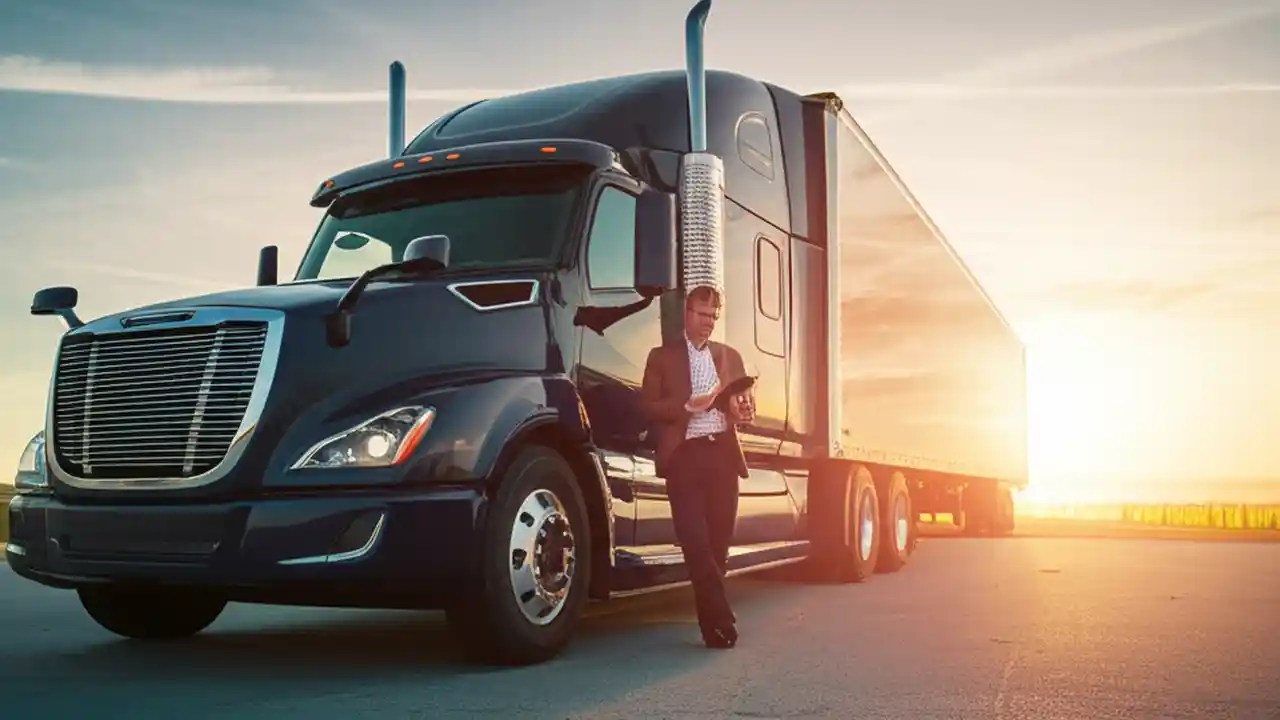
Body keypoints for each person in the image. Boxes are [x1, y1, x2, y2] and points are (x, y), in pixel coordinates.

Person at [640, 285, 755, 649]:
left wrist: (742, 412)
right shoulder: (661, 357)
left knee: (719, 544)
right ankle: (722, 617)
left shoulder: (730, 356)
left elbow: (741, 405)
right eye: (703, 315)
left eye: (714, 317)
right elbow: (647, 407)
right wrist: (688, 406)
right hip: (684, 457)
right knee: (695, 541)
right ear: (687, 314)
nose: (709, 323)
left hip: (722, 454)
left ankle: (713, 627)